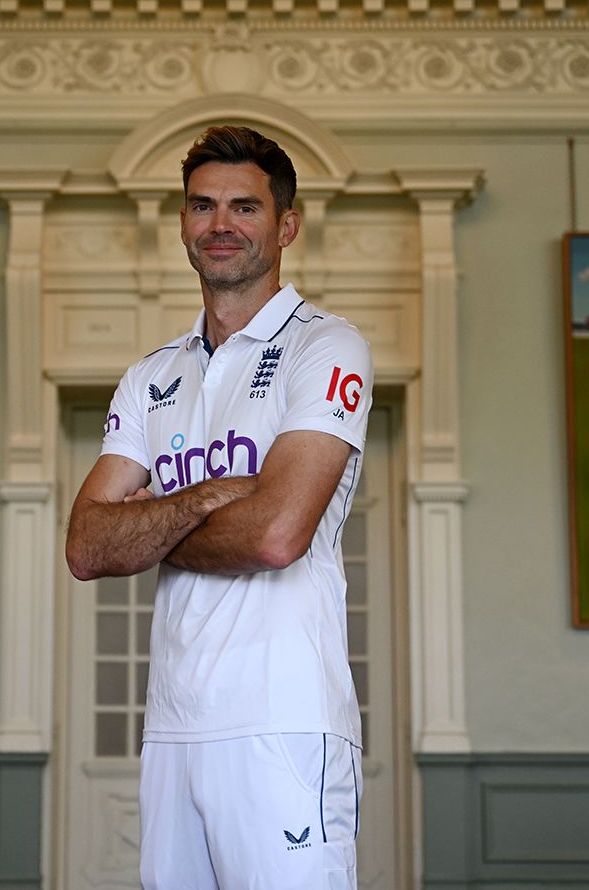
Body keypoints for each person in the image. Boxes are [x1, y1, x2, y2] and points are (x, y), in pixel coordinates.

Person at [65, 125, 373, 889]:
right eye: (203, 206)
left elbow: (276, 534)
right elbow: (85, 546)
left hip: (283, 719)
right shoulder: (150, 376)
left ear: (287, 225)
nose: (221, 224)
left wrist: (146, 523)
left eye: (245, 206)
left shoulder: (326, 347)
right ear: (182, 223)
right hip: (173, 727)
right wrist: (203, 499)